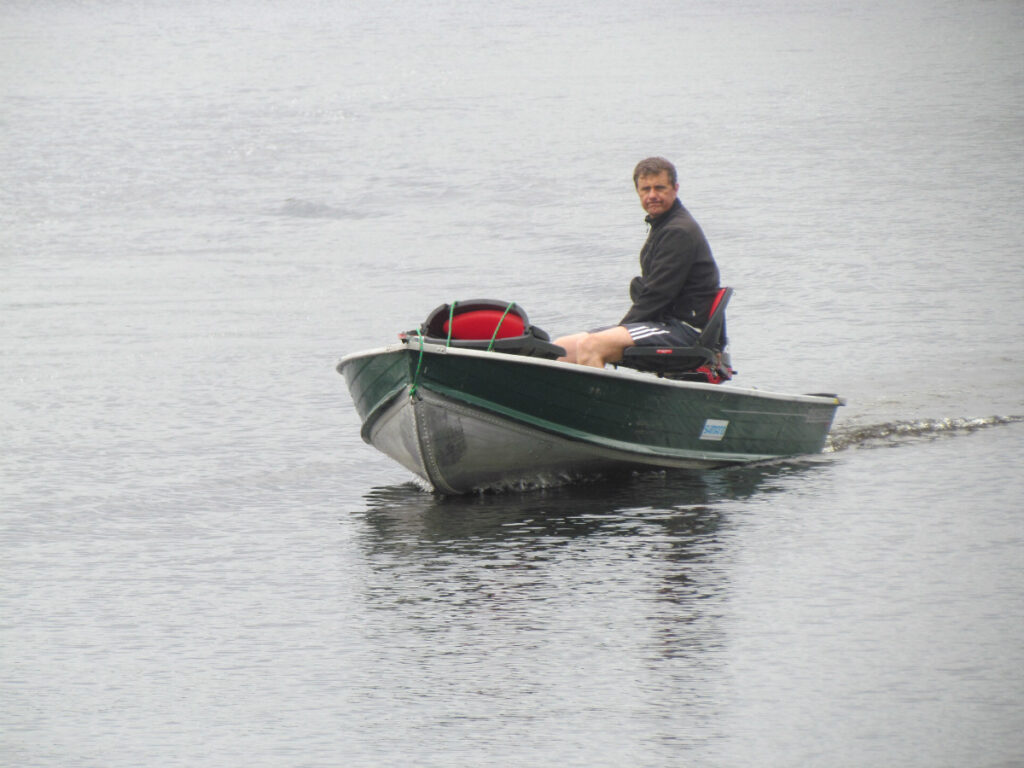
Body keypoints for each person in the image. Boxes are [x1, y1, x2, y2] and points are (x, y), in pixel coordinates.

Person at [554, 157, 721, 368]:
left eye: (659, 188)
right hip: (662, 323)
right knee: (561, 348)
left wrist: (621, 329)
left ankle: (597, 400)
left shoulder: (678, 232)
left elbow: (658, 295)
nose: (652, 195)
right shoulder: (664, 225)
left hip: (686, 330)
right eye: (645, 189)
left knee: (592, 345)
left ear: (675, 189)